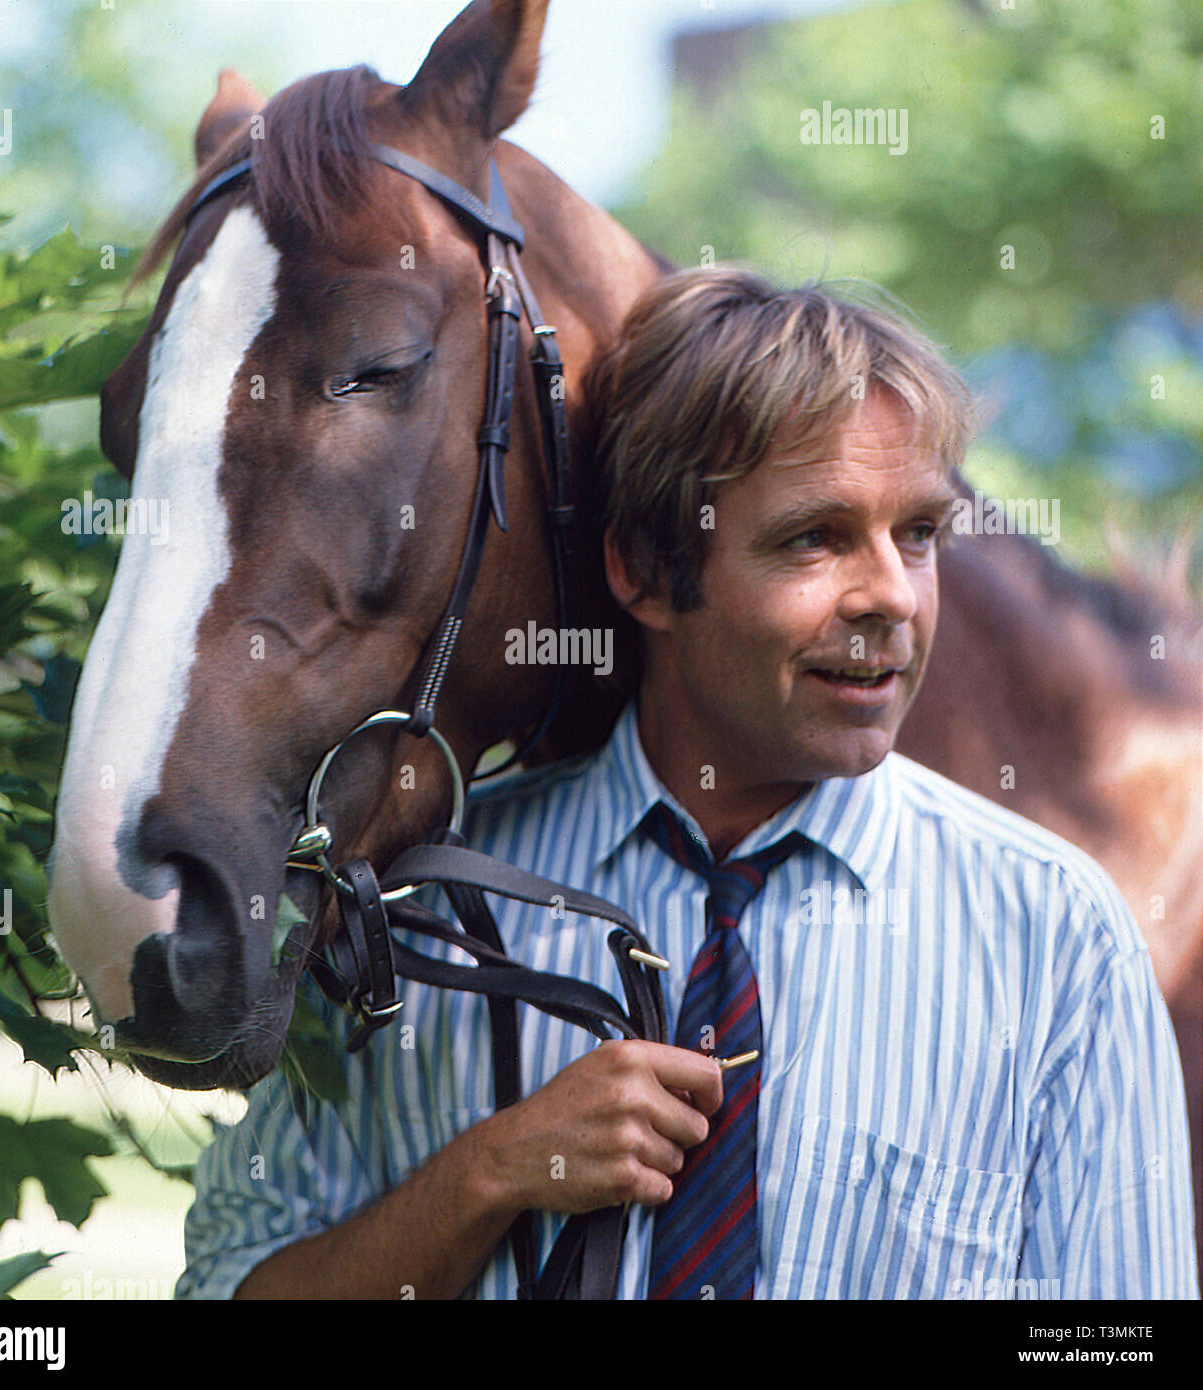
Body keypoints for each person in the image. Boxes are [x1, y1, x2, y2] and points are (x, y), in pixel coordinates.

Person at [174, 269, 1198, 1300]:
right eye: (814, 535)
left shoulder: (1056, 938)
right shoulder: (421, 908)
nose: (890, 594)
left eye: (918, 534)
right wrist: (488, 1173)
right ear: (646, 571)